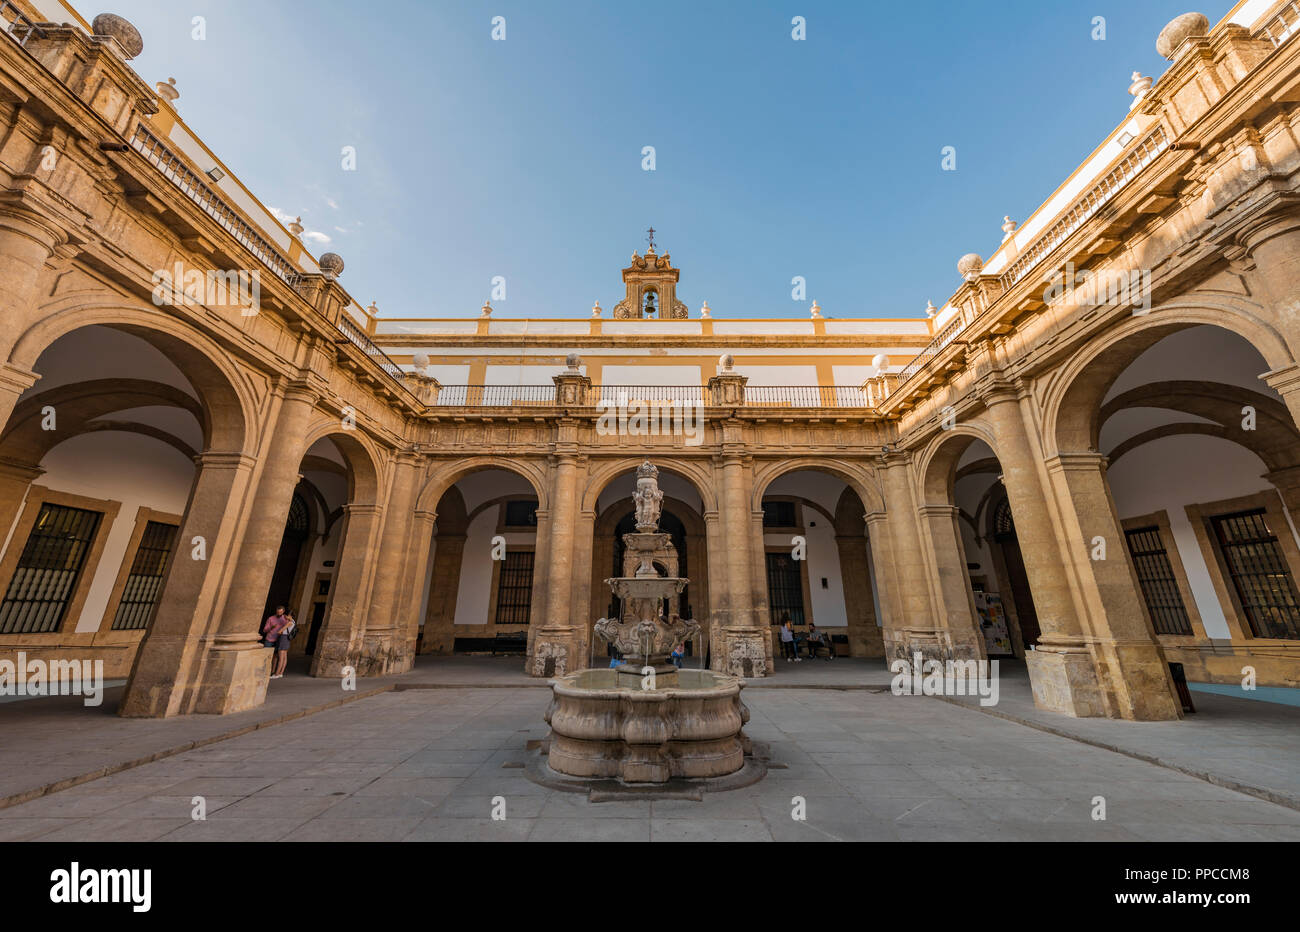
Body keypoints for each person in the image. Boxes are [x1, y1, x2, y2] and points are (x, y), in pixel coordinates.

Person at [271, 612, 295, 679]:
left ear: (290, 616)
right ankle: (281, 673)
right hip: (287, 640)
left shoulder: (289, 623)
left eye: (287, 615)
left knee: (281, 658)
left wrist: (277, 629)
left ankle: (276, 674)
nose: (285, 616)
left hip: (283, 638)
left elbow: (280, 631)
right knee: (284, 658)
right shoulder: (293, 622)